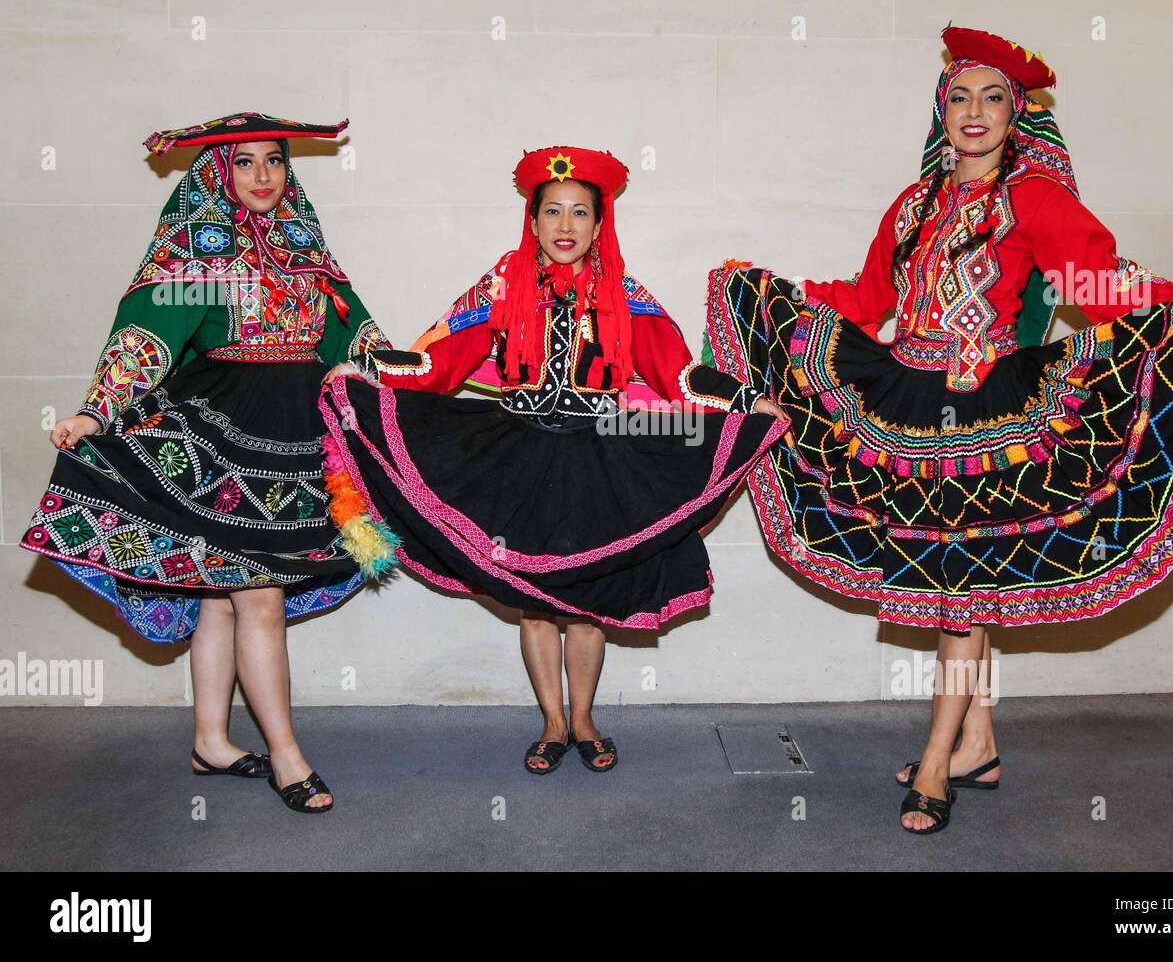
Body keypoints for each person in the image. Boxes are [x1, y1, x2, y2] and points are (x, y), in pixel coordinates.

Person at [705, 28, 1173, 834]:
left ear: (1017, 114)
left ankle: (936, 762)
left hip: (991, 416)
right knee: (957, 578)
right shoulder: (912, 205)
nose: (975, 112)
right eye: (961, 96)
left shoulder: (1033, 198)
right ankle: (977, 741)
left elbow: (1097, 282)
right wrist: (772, 291)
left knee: (959, 595)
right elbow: (867, 299)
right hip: (905, 401)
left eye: (994, 97)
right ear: (943, 111)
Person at [320, 146, 789, 774]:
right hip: (518, 454)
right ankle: (552, 723)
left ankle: (587, 720)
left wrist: (747, 400)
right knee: (536, 603)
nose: (565, 226)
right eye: (552, 212)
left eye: (578, 214)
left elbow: (679, 375)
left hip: (600, 455)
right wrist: (368, 368)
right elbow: (435, 361)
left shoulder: (627, 294)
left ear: (599, 224)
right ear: (532, 220)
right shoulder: (499, 286)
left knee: (587, 603)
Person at [22, 112, 394, 812]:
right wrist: (96, 412)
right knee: (256, 594)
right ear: (219, 173)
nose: (262, 176)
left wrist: (410, 376)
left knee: (222, 599)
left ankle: (211, 741)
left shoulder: (304, 250)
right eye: (246, 162)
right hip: (216, 440)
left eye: (274, 162)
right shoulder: (196, 253)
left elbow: (355, 333)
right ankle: (287, 755)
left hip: (291, 441)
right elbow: (148, 334)